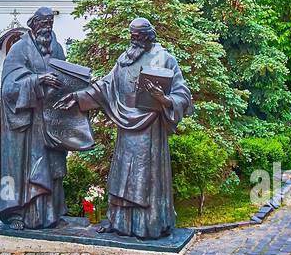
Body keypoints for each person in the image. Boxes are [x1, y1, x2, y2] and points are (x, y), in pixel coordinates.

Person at [54, 18, 191, 239]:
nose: (134, 41)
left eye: (138, 37)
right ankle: (120, 223)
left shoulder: (165, 59)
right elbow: (105, 86)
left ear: (149, 36)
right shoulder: (125, 59)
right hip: (127, 130)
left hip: (150, 131)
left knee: (145, 178)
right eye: (132, 36)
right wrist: (78, 97)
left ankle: (147, 226)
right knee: (122, 176)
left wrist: (164, 99)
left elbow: (182, 94)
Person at [0, 7, 67, 229]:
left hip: (49, 120)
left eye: (50, 24)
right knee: (23, 168)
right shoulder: (19, 50)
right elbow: (9, 87)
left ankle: (50, 213)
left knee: (50, 165)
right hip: (25, 123)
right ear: (33, 25)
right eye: (43, 24)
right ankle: (17, 212)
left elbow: (64, 76)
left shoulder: (57, 48)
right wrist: (37, 80)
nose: (47, 28)